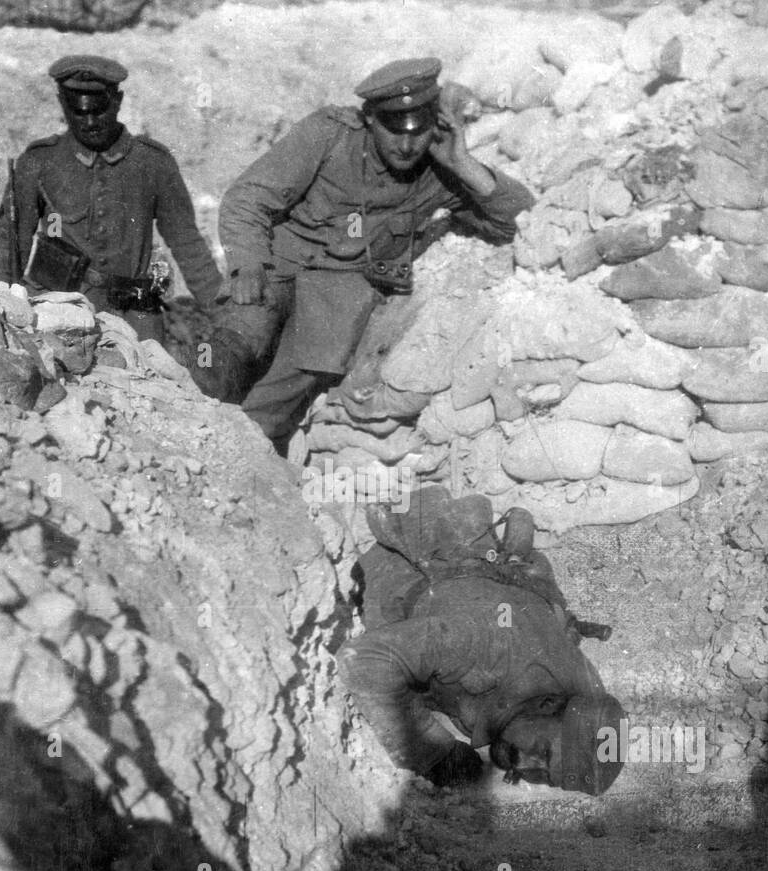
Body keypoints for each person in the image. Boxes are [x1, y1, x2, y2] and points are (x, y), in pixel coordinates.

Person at [214, 57, 534, 453]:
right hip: (275, 266)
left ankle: (232, 458)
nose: (406, 145)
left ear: (436, 125)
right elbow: (248, 198)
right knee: (234, 343)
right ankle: (182, 416)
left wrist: (463, 164)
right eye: (393, 128)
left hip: (336, 297)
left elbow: (518, 218)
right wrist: (247, 263)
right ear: (369, 119)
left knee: (271, 405)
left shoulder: (441, 171)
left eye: (419, 130)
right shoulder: (329, 135)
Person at [337, 487, 624, 791]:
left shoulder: (588, 695)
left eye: (543, 776)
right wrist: (434, 752)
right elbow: (363, 661)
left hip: (511, 592)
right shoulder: (480, 645)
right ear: (549, 704)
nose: (524, 765)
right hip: (415, 576)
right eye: (541, 752)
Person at [0, 55, 222, 344]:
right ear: (61, 103)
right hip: (58, 306)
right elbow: (8, 241)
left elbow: (187, 242)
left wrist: (221, 311)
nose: (90, 122)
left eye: (100, 111)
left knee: (151, 377)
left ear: (118, 101)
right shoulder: (39, 162)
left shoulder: (153, 163)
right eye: (79, 113)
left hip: (134, 313)